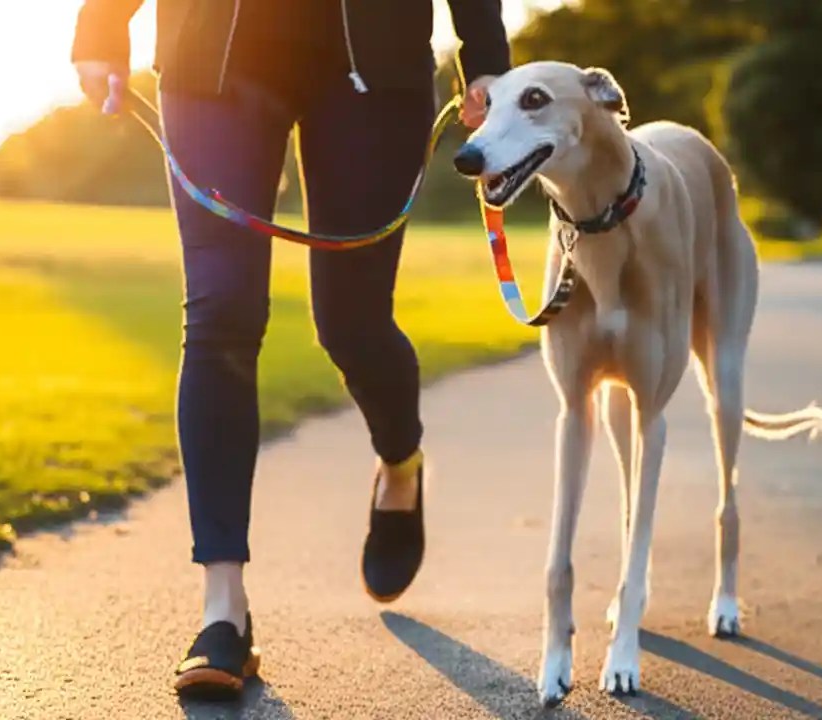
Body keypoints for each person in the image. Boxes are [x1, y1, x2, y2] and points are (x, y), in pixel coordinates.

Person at [70, 0, 509, 699]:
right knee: (220, 314)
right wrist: (101, 22)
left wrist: (483, 52)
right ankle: (224, 611)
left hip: (373, 56)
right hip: (213, 49)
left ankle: (400, 461)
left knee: (353, 322)